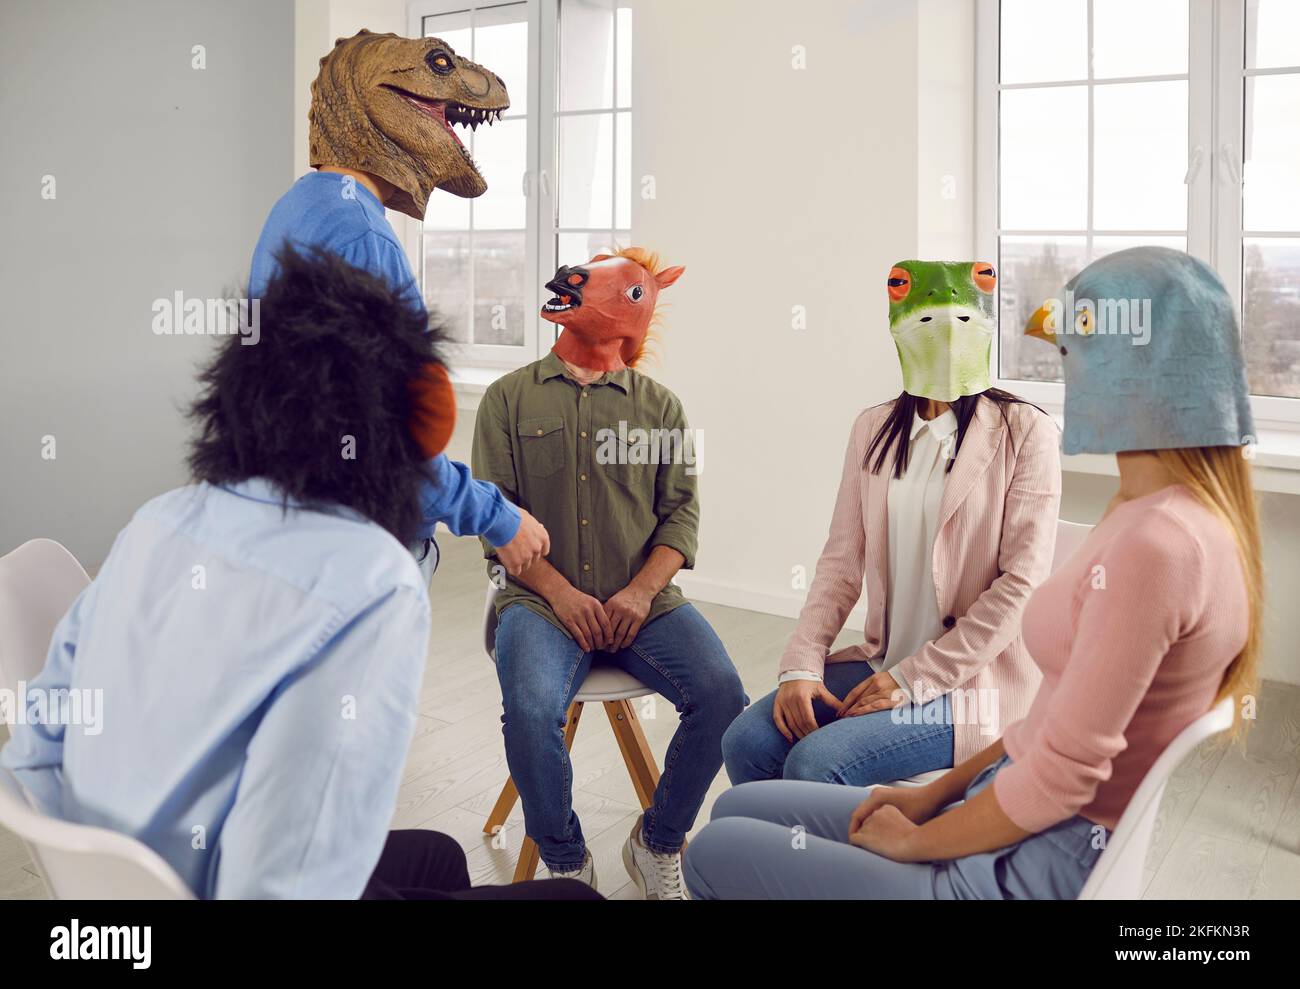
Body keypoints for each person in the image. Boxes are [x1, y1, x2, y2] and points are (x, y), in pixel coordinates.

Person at [1, 246, 595, 901]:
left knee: (437, 857)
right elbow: (284, 883)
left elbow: (30, 752)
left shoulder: (158, 520)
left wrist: (105, 878)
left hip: (124, 895)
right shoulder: (374, 585)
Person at [684, 246, 1261, 900]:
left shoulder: (1154, 543)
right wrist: (930, 794)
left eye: (1080, 344)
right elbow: (1047, 729)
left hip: (998, 854)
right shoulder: (1152, 519)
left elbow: (1060, 769)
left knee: (716, 845)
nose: (1062, 360)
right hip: (994, 803)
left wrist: (920, 836)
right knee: (742, 793)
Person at [722, 261, 1059, 788]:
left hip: (972, 685)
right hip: (884, 660)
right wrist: (802, 664)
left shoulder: (1025, 430)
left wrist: (914, 678)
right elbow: (840, 561)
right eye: (927, 322)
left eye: (962, 323)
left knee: (814, 763)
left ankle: (838, 869)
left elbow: (1022, 586)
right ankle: (783, 864)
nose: (945, 339)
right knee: (746, 743)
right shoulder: (874, 429)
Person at [472, 249, 746, 899]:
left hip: (644, 600)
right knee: (532, 707)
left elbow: (680, 518)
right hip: (539, 602)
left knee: (723, 695)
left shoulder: (660, 407)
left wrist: (640, 591)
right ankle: (565, 858)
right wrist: (561, 593)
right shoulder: (507, 400)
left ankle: (656, 841)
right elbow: (493, 514)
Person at [249, 29, 547, 580]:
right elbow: (393, 439)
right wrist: (498, 518)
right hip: (367, 544)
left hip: (298, 525)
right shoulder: (363, 235)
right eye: (437, 67)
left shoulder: (296, 207)